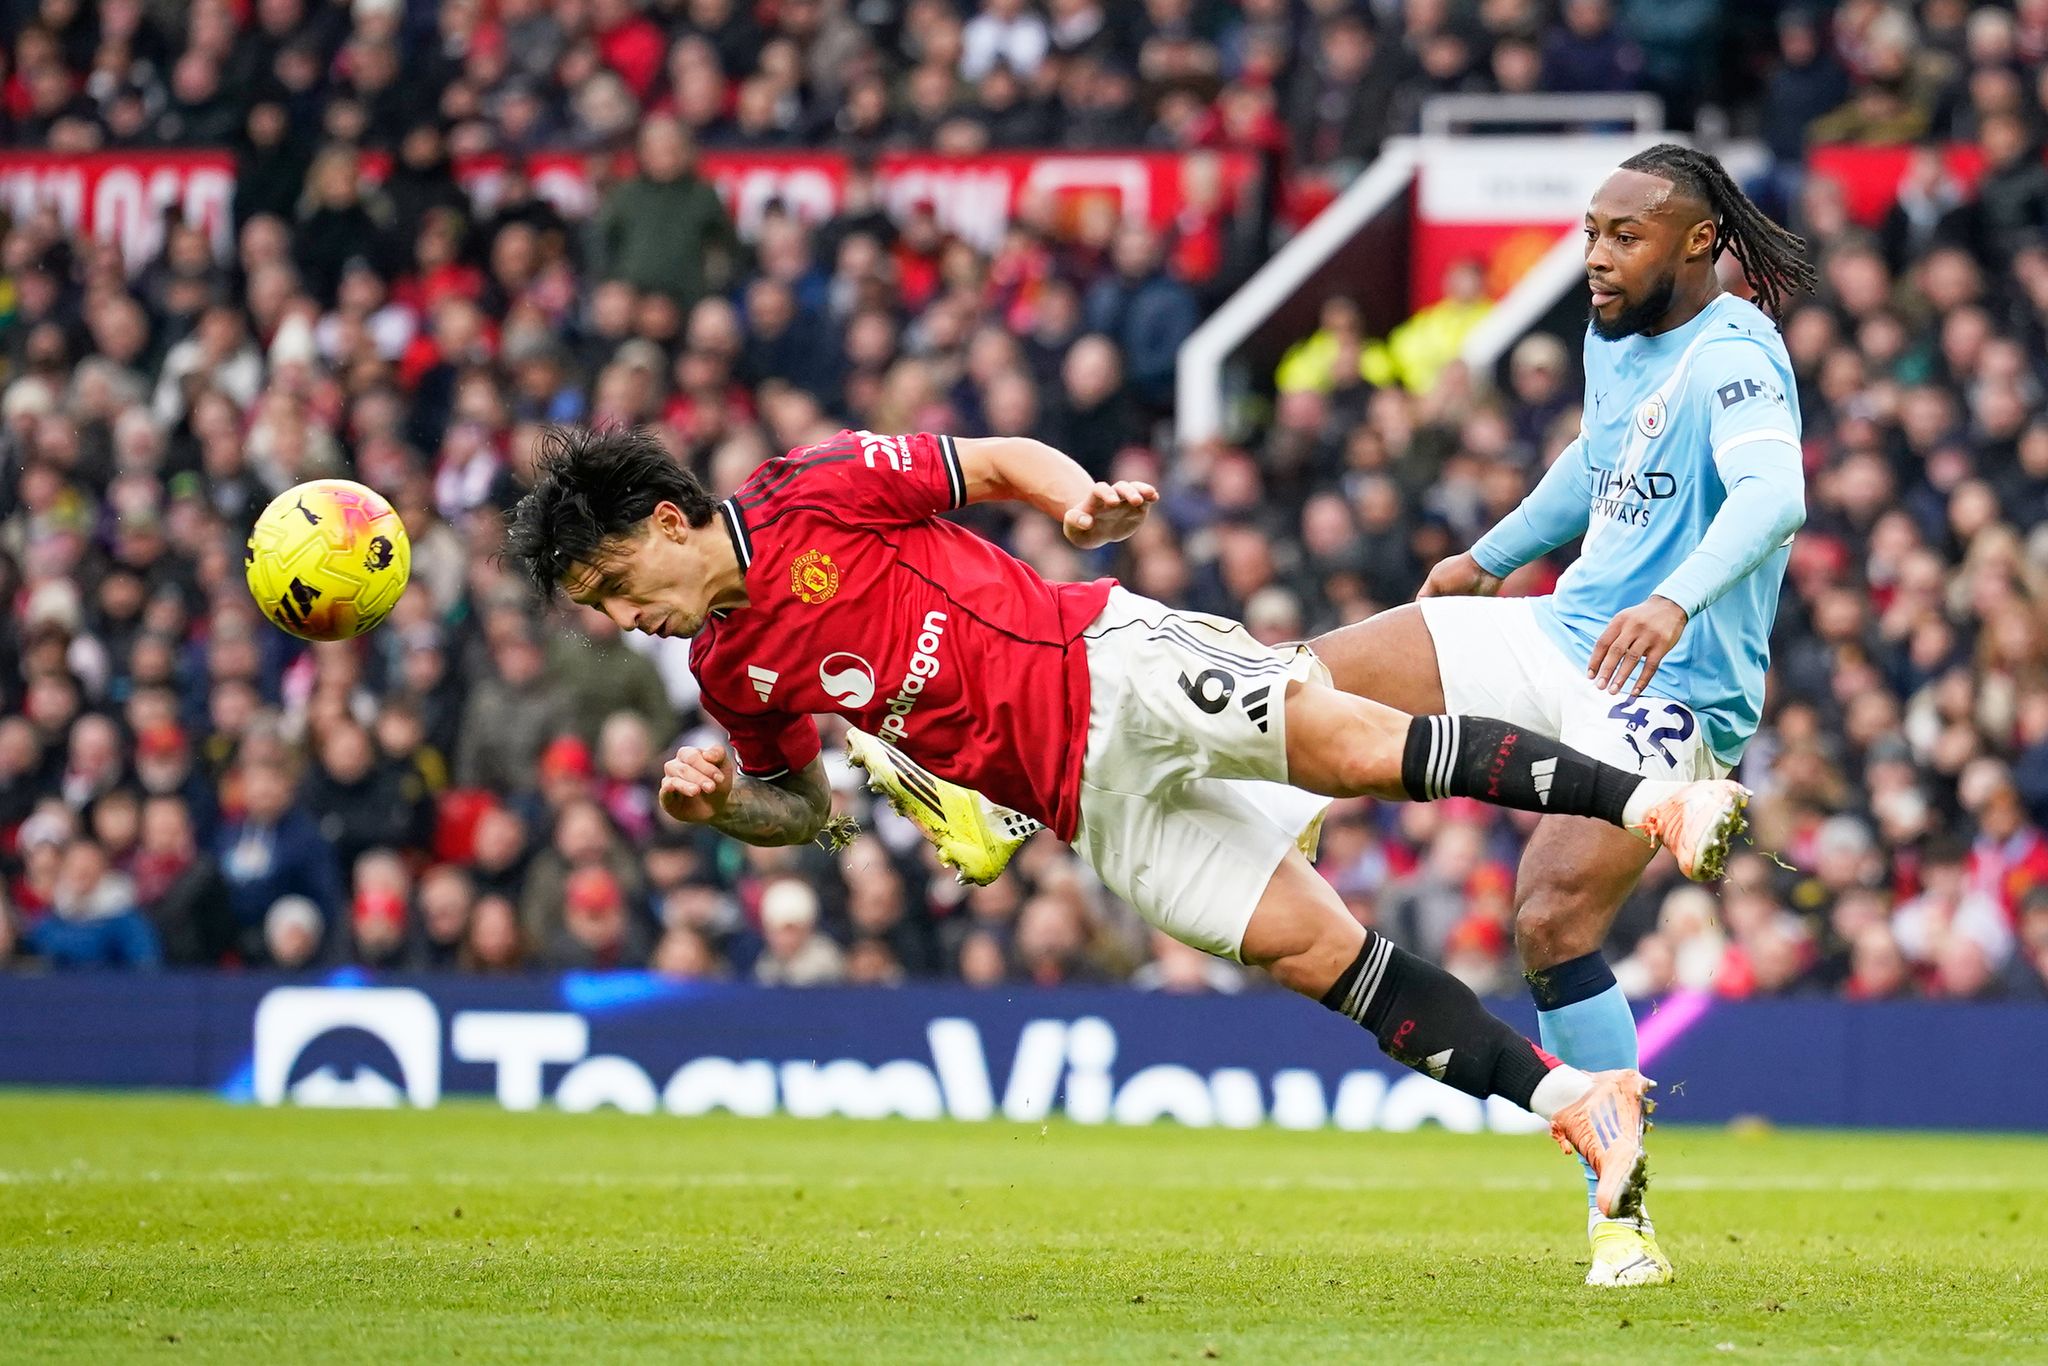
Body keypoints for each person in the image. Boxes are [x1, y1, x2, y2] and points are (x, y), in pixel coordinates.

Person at [506, 424, 1757, 1228]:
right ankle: (1575, 1103)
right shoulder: (730, 673)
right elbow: (809, 806)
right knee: (1310, 954)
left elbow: (988, 463)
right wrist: (727, 803)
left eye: (615, 587)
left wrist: (1076, 500)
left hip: (1111, 664)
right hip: (1086, 805)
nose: (625, 618)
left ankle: (1654, 796)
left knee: (1360, 749)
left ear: (664, 523)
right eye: (599, 610)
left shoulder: (805, 495)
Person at [1305, 144, 1817, 1286]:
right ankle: (1245, 800)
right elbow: (1596, 464)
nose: (1593, 257)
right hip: (1560, 629)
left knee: (1547, 920)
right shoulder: (1614, 331)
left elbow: (1774, 495)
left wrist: (1674, 600)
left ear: (1696, 241)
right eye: (1589, 231)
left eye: (1621, 236)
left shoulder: (1734, 350)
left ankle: (1620, 1210)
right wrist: (1485, 558)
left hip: (1671, 684)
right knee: (1305, 675)